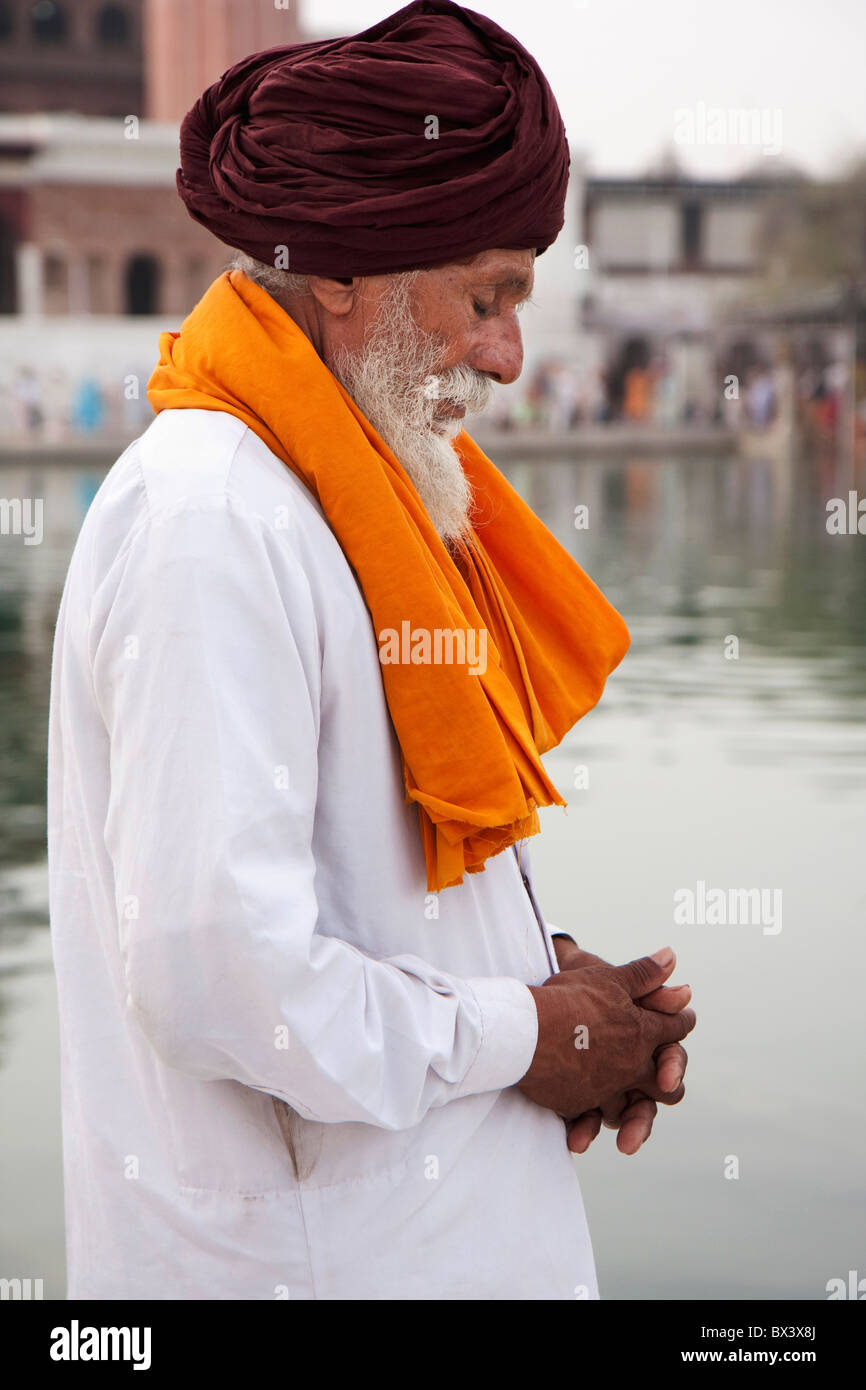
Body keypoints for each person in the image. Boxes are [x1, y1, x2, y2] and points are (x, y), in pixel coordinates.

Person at [47, 0, 695, 1301]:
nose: (508, 355)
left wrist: (551, 992)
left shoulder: (347, 489)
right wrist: (526, 1032)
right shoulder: (215, 519)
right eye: (486, 296)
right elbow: (217, 972)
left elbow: (345, 894)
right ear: (337, 270)